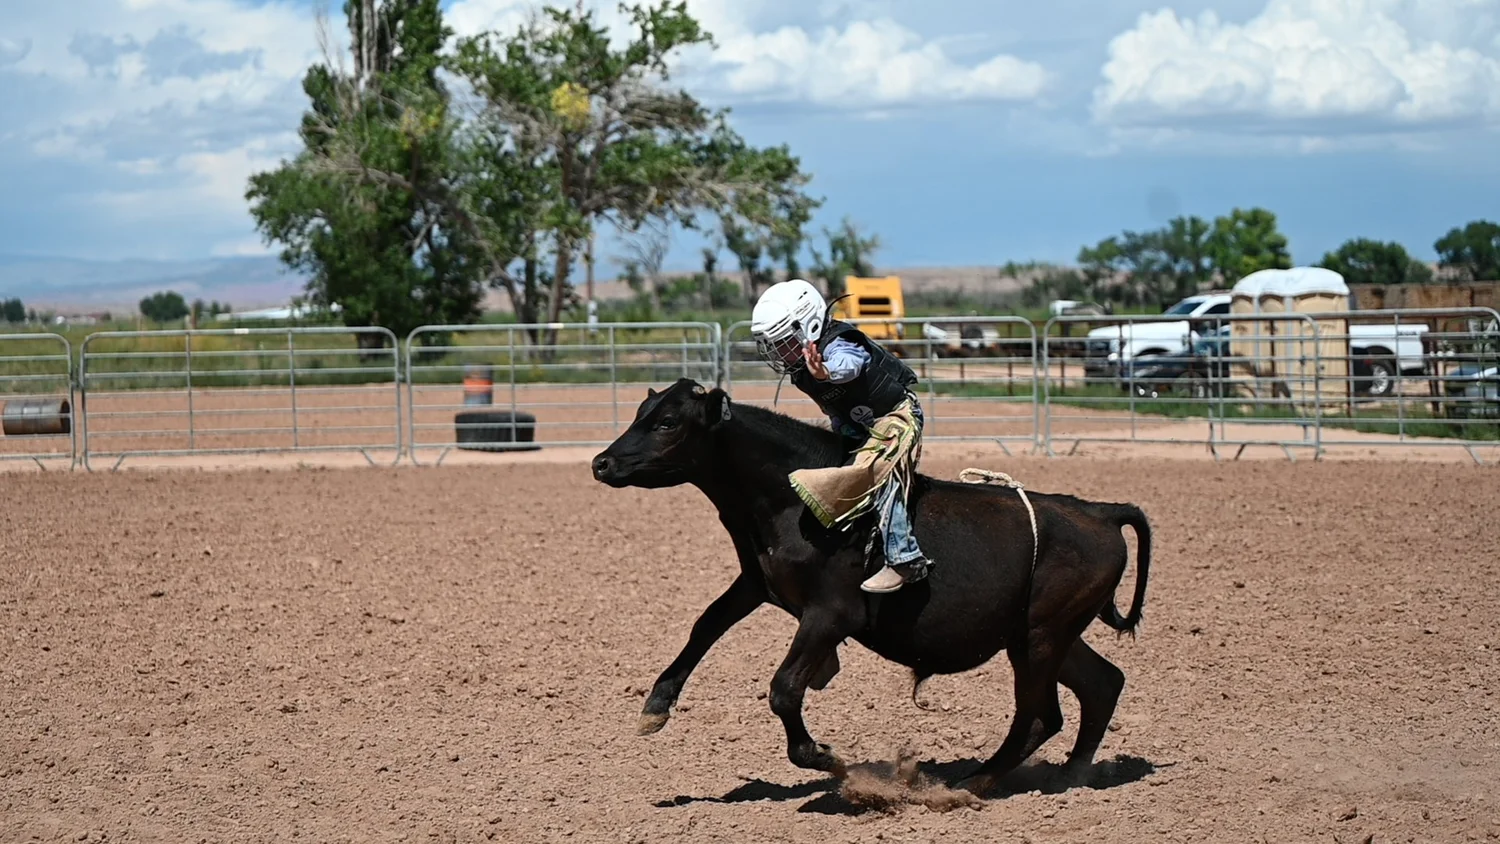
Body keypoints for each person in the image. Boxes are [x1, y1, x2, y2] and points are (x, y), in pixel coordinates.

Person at [749, 278, 930, 594]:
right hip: (856, 427)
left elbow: (851, 364)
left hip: (896, 416)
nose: (780, 352)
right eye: (774, 346)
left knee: (877, 472)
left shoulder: (837, 344)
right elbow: (835, 405)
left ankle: (905, 558)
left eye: (785, 342)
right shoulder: (803, 368)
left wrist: (826, 372)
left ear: (809, 325)